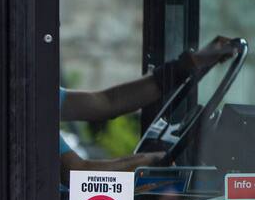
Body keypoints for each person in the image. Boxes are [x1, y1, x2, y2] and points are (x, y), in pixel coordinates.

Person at [59, 36, 241, 173]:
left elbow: (107, 102)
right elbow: (76, 172)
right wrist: (153, 161)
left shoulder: (40, 95)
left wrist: (191, 62)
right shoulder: (31, 103)